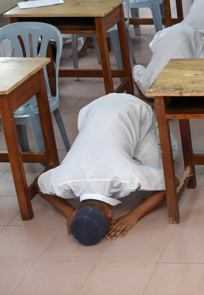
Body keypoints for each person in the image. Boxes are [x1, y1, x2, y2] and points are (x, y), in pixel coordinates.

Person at [37, 94, 178, 245]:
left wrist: (133, 216)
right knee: (133, 155)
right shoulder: (63, 179)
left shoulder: (125, 177)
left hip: (134, 109)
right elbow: (39, 184)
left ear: (110, 213)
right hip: (92, 108)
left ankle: (157, 134)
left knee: (170, 155)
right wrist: (68, 212)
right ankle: (134, 144)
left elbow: (172, 181)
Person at [133, 24, 204, 96]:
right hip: (186, 86)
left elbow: (155, 52)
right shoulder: (195, 33)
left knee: (137, 68)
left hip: (153, 87)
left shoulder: (162, 33)